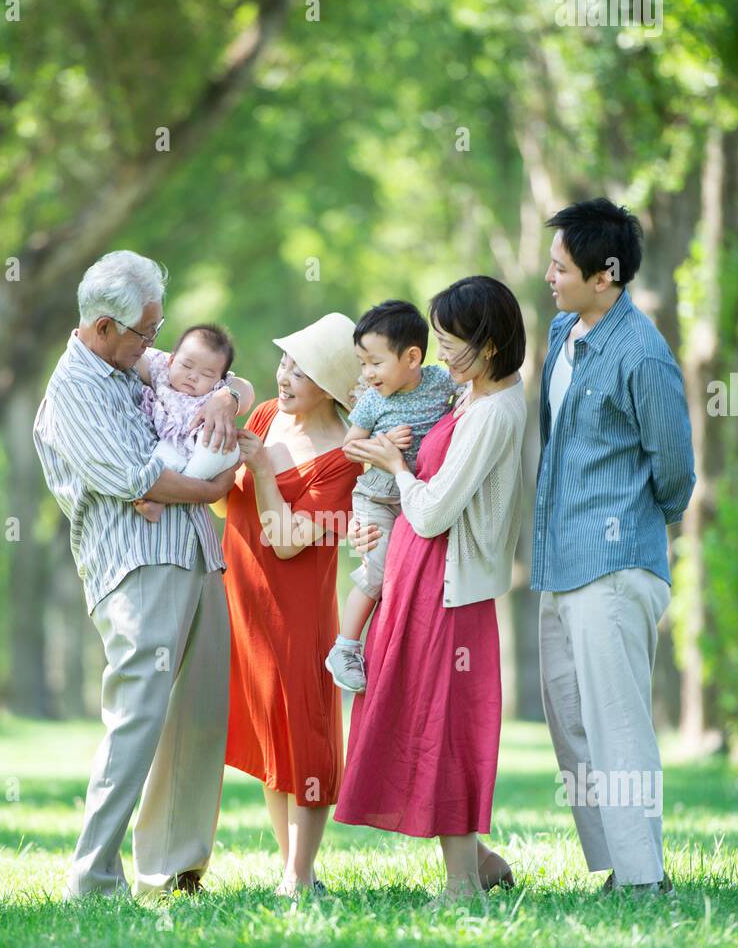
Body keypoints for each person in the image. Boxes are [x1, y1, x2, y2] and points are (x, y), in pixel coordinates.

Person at [32, 250, 254, 900]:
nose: (155, 345)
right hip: (138, 567)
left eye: (157, 332)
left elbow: (226, 377)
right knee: (137, 717)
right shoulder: (76, 389)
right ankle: (93, 875)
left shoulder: (133, 358)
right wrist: (216, 480)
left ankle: (173, 870)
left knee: (198, 716)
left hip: (196, 555)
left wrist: (222, 393)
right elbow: (141, 481)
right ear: (104, 327)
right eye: (145, 334)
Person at [335, 277, 527, 905]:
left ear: (489, 345)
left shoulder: (494, 412)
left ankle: (462, 882)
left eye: (451, 343)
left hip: (448, 585)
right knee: (413, 714)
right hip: (419, 576)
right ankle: (482, 862)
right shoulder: (469, 396)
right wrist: (377, 510)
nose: (442, 356)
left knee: (448, 726)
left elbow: (433, 511)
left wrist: (392, 470)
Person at [535, 198, 695, 895]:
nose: (547, 274)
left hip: (615, 563)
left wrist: (633, 522)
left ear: (605, 274)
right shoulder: (561, 330)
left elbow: (676, 470)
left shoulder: (642, 354)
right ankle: (611, 867)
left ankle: (641, 878)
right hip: (557, 563)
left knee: (617, 726)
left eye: (559, 265)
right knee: (573, 727)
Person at [214, 313, 363, 897]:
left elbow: (288, 537)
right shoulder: (267, 416)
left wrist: (264, 470)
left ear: (330, 384)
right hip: (244, 599)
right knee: (271, 735)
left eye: (302, 370)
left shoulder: (346, 455)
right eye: (284, 362)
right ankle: (294, 871)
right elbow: (231, 508)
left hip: (298, 610)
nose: (285, 376)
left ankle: (300, 874)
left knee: (304, 731)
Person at [324, 299, 457, 694]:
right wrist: (382, 445)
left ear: (412, 357)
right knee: (378, 572)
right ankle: (345, 647)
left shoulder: (441, 382)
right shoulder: (372, 401)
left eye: (375, 363)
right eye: (362, 363)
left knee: (411, 580)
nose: (367, 373)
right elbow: (349, 448)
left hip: (417, 499)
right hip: (377, 499)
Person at [133, 322, 241, 490]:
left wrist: (228, 396)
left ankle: (175, 492)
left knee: (220, 448)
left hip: (202, 443)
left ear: (218, 380)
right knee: (164, 460)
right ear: (171, 361)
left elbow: (245, 389)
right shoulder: (161, 374)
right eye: (186, 365)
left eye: (206, 374)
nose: (193, 376)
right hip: (174, 442)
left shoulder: (217, 393)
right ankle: (166, 498)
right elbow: (134, 358)